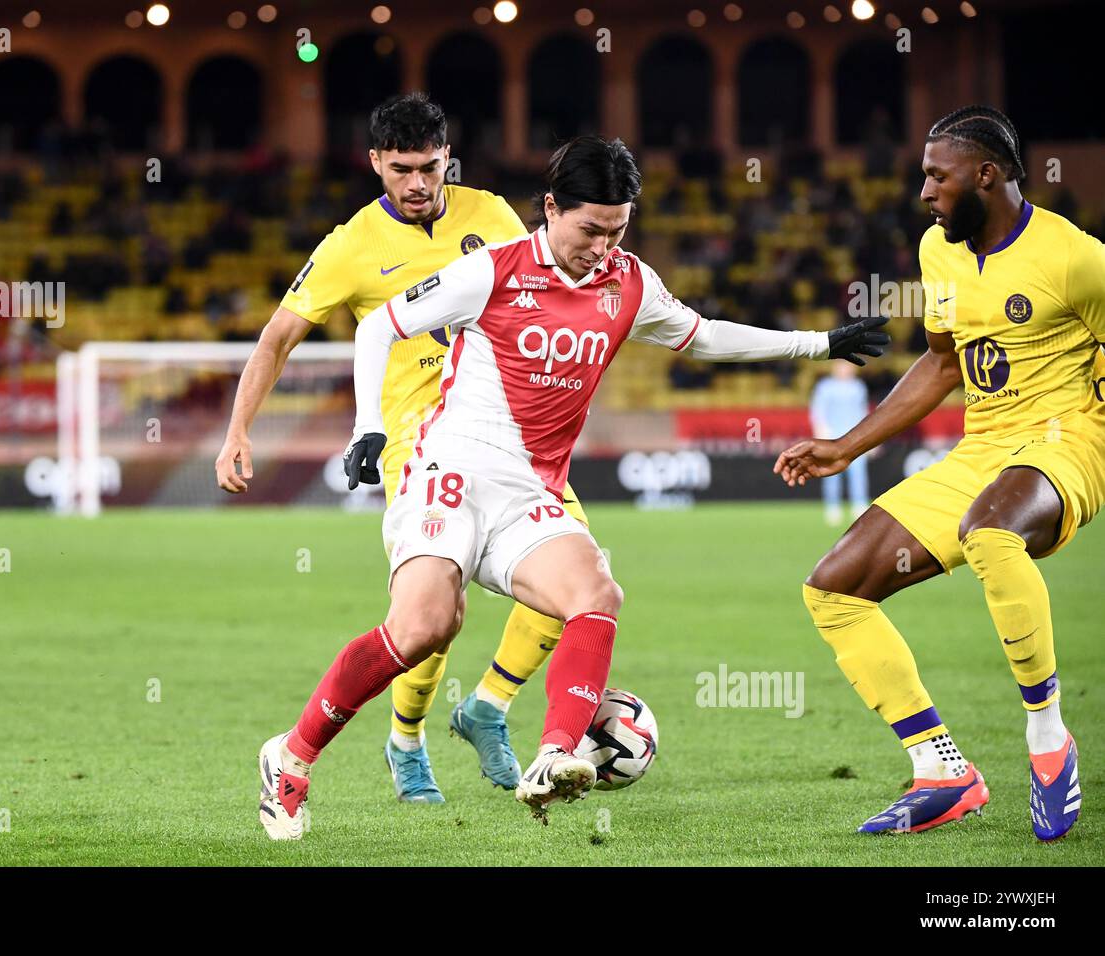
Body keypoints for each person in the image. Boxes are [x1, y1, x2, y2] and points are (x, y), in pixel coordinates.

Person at [258, 135, 889, 840]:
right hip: (451, 470)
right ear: (551, 208)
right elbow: (378, 325)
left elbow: (705, 336)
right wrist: (368, 428)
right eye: (590, 229)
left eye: (617, 231)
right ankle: (290, 757)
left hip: (530, 492)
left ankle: (554, 755)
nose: (602, 247)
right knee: (427, 626)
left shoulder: (630, 282)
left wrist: (819, 344)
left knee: (596, 593)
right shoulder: (489, 272)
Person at [214, 93, 593, 801]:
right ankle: (406, 740)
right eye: (400, 170)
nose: (417, 184)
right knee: (433, 615)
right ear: (374, 165)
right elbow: (277, 338)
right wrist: (239, 430)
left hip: (511, 434)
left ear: (448, 155)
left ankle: (488, 706)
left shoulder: (492, 217)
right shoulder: (350, 245)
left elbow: (541, 297)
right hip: (418, 445)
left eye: (428, 167)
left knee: (579, 578)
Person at [776, 106, 1105, 840]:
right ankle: (942, 769)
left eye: (936, 175)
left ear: (986, 174)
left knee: (989, 533)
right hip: (983, 447)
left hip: (1065, 442)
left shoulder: (1076, 257)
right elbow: (942, 360)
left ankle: (1049, 741)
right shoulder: (939, 250)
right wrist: (846, 447)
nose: (924, 191)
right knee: (832, 590)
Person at [809, 361, 870, 524]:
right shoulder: (825, 386)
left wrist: (869, 437)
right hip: (833, 437)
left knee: (858, 474)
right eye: (842, 366)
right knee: (831, 473)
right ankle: (832, 506)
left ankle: (859, 505)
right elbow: (818, 412)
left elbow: (863, 413)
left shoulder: (858, 387)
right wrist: (821, 432)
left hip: (855, 439)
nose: (845, 370)